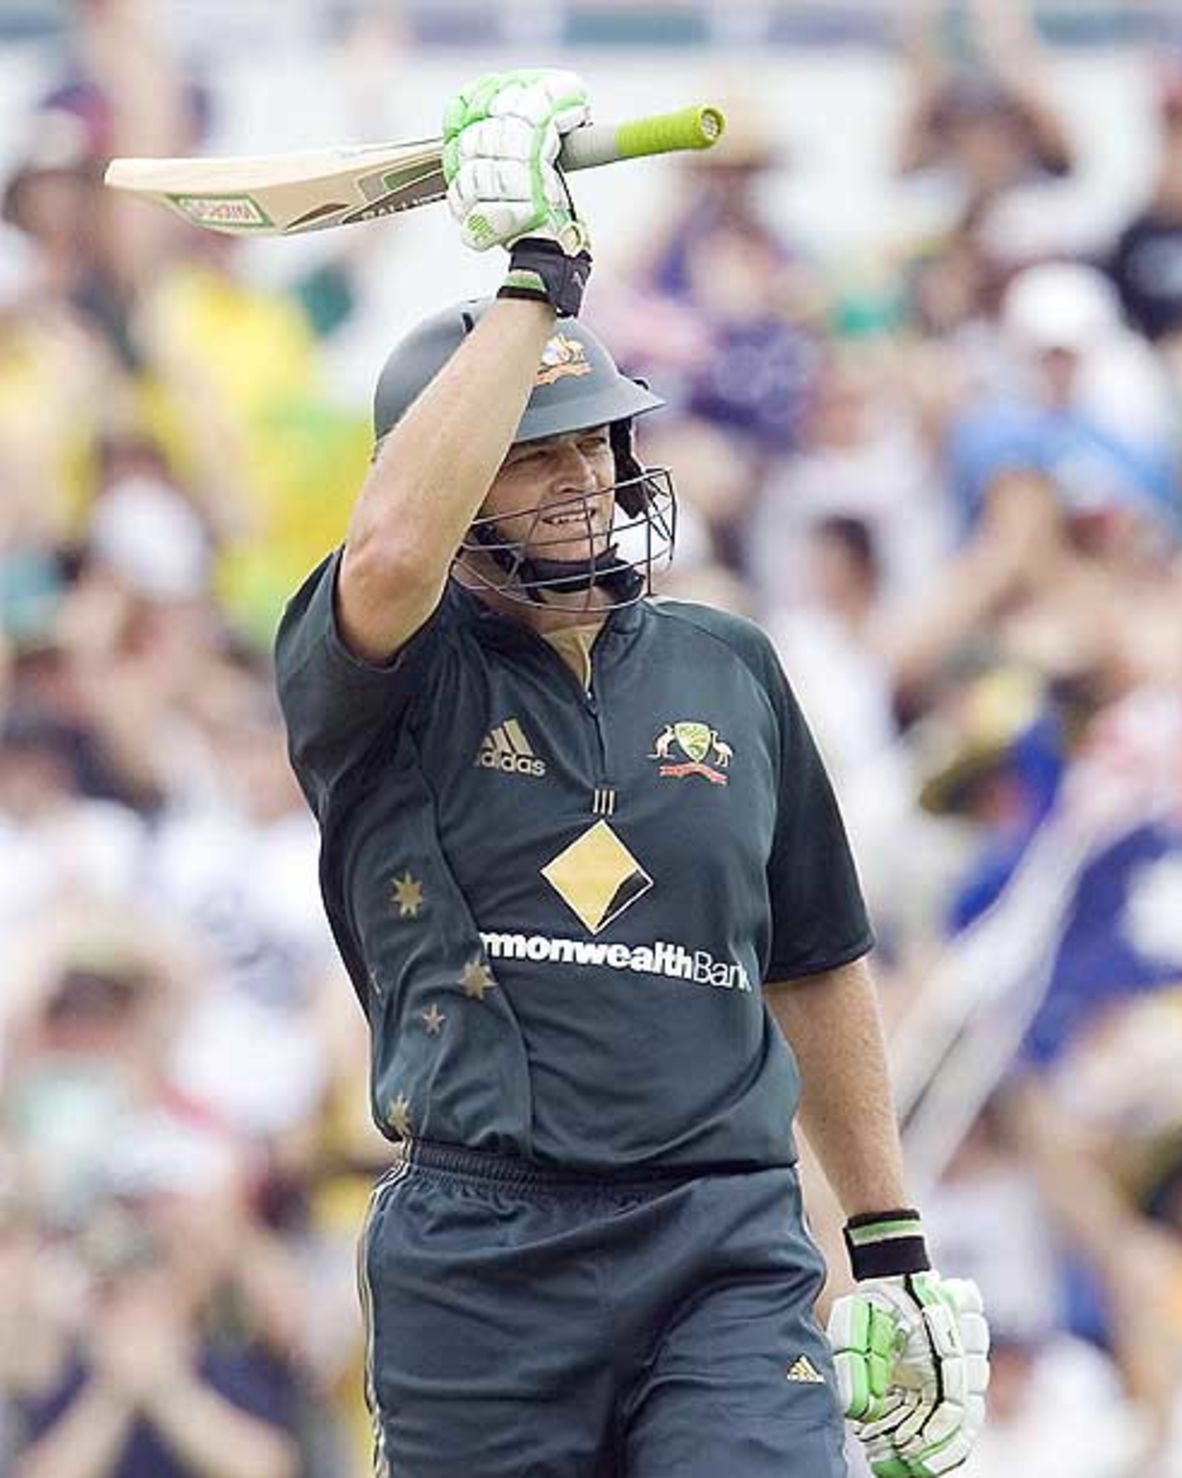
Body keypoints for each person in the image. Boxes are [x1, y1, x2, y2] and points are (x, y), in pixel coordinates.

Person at [274, 68, 990, 1478]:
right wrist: (537, 279)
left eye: (598, 439)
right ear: (453, 470)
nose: (588, 477)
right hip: (481, 1260)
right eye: (536, 454)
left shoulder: (731, 665)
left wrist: (889, 1239)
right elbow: (390, 557)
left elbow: (817, 955)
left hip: (719, 1243)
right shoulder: (379, 667)